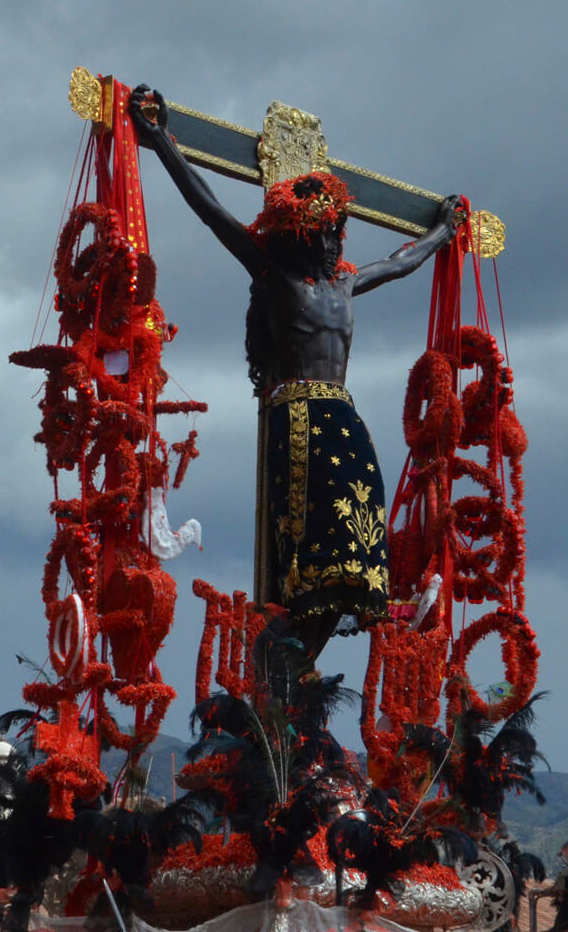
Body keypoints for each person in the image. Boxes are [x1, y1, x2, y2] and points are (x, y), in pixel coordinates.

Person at [128, 86, 459, 657]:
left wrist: (443, 231)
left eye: (336, 233)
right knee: (315, 547)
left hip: (344, 417)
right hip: (298, 415)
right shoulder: (275, 275)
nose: (332, 244)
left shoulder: (345, 283)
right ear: (301, 232)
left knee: (361, 550)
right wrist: (159, 139)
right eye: (323, 233)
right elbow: (210, 209)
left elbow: (404, 262)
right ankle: (288, 658)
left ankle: (305, 659)